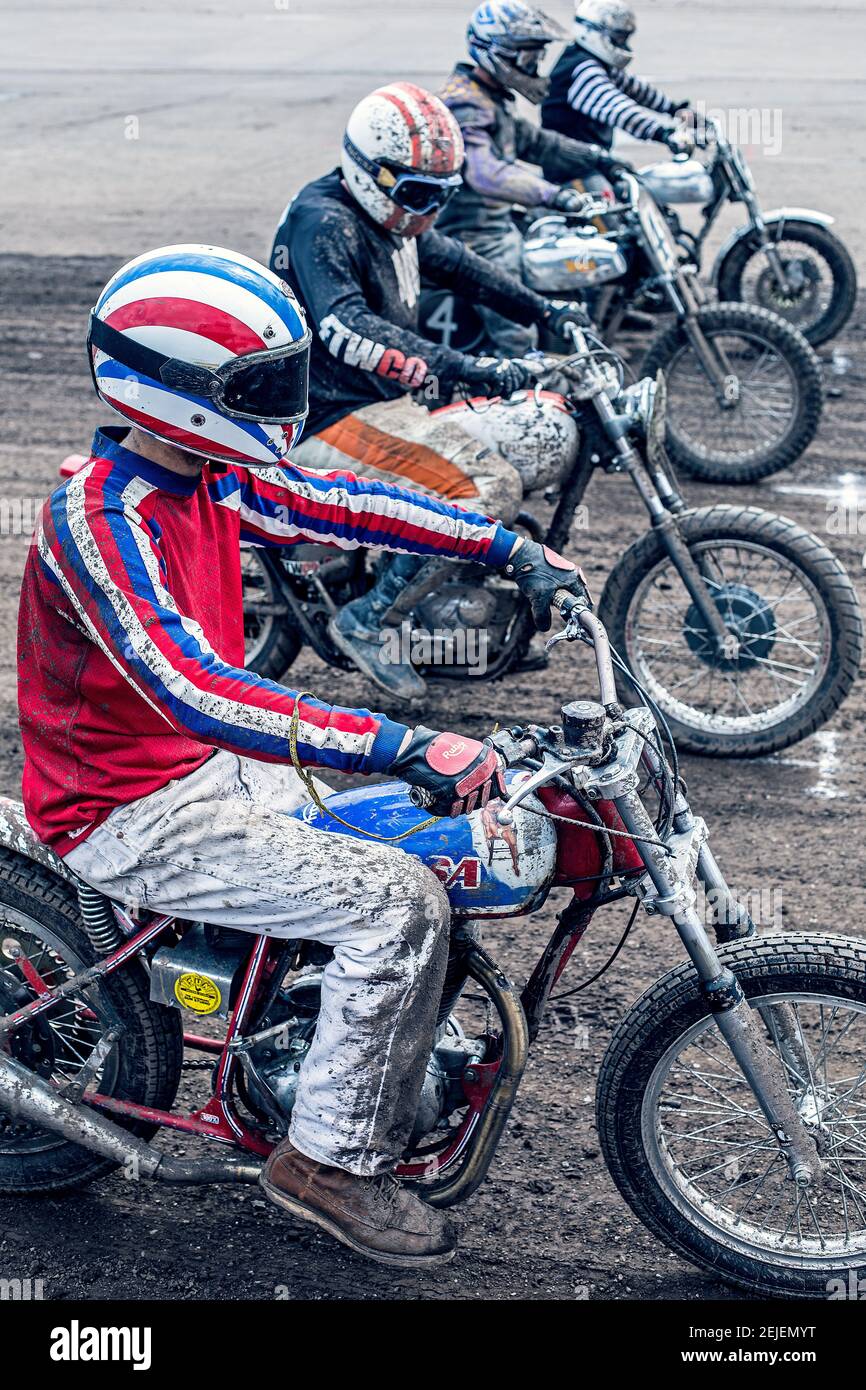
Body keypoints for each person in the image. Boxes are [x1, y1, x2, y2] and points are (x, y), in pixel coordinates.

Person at [17, 243, 589, 1268]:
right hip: (130, 807)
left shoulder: (213, 477)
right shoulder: (98, 521)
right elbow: (194, 690)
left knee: (410, 836)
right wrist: (403, 739)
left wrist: (506, 548)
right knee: (393, 902)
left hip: (205, 772)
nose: (285, 399)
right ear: (182, 392)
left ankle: (313, 1042)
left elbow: (346, 505)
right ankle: (324, 1162)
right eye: (262, 384)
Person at [272, 80, 589, 699]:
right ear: (372, 173)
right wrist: (472, 366)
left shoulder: (394, 218)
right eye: (419, 196)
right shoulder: (324, 223)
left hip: (386, 408)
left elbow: (464, 266)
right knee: (483, 488)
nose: (429, 213)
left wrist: (547, 310)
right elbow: (345, 327)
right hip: (333, 418)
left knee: (541, 443)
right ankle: (368, 620)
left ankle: (427, 583)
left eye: (442, 197)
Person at [436, 1, 619, 355]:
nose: (535, 67)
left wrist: (598, 158)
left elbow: (537, 143)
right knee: (516, 330)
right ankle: (523, 383)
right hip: (472, 236)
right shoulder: (464, 104)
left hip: (499, 223)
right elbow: (487, 175)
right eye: (529, 57)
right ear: (500, 53)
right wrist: (554, 195)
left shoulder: (490, 96)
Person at [541, 0, 695, 188]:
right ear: (593, 32)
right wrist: (663, 133)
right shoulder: (583, 70)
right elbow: (619, 109)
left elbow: (635, 89)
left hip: (590, 161)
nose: (623, 45)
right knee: (618, 211)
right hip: (571, 169)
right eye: (618, 38)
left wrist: (675, 109)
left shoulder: (594, 63)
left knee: (647, 198)